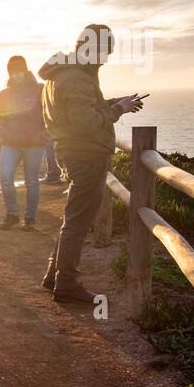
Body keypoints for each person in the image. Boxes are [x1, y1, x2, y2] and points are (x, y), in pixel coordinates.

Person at [39, 24, 145, 304]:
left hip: (72, 153)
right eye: (105, 51)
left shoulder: (62, 74)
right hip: (86, 156)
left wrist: (113, 103)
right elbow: (84, 123)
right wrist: (118, 110)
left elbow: (78, 110)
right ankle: (66, 284)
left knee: (73, 218)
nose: (106, 59)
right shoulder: (76, 78)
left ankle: (54, 275)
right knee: (78, 222)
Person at [0, 56, 47, 230]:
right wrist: (5, 136)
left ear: (25, 71)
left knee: (31, 182)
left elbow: (48, 114)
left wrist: (42, 133)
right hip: (10, 142)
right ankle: (12, 215)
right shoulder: (5, 93)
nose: (15, 74)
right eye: (12, 71)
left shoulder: (40, 89)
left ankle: (30, 219)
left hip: (34, 144)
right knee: (5, 178)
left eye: (18, 71)